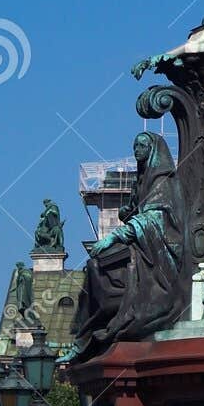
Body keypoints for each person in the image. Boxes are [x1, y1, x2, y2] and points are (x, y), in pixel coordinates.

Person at [66, 132, 188, 360]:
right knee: (94, 265)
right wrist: (127, 212)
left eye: (142, 146)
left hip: (159, 252)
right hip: (143, 244)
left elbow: (155, 219)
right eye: (135, 146)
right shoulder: (143, 178)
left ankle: (101, 327)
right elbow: (139, 211)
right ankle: (85, 336)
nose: (136, 150)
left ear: (153, 150)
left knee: (100, 267)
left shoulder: (162, 179)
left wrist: (112, 237)